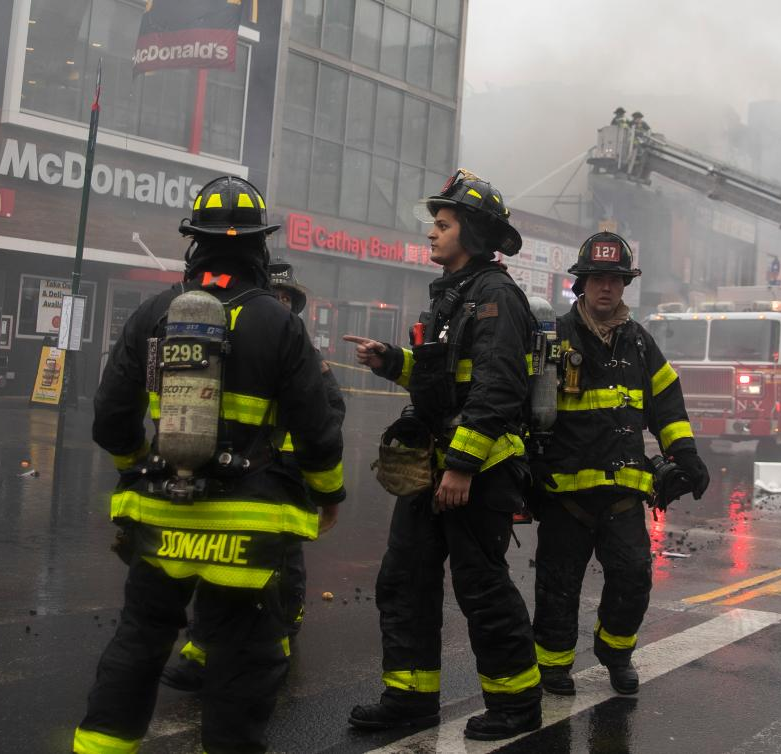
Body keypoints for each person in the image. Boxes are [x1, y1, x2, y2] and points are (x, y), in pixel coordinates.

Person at [73, 177, 345, 754]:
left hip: (161, 519)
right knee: (242, 662)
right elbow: (316, 426)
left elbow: (111, 415)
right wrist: (329, 494)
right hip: (246, 528)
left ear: (194, 243)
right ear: (260, 247)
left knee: (138, 643)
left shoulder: (155, 313)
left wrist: (135, 465)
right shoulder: (279, 323)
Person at [343, 170, 542, 741]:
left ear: (472, 234)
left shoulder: (496, 297)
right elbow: (443, 381)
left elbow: (498, 389)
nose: (432, 232)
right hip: (435, 467)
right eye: (434, 222)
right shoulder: (454, 296)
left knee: (481, 587)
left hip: (477, 470)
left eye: (444, 223)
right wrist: (392, 361)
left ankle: (516, 704)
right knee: (404, 580)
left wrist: (461, 466)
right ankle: (409, 699)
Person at [531, 231, 709, 697]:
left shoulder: (639, 343)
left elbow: (667, 403)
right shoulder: (554, 338)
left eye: (614, 279)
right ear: (581, 284)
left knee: (632, 579)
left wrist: (685, 454)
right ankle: (553, 665)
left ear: (625, 285)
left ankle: (616, 655)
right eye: (597, 279)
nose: (606, 287)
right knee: (557, 585)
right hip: (564, 492)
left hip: (623, 492)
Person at [159, 261, 345, 693]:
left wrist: (307, 466)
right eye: (274, 295)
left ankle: (277, 643)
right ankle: (203, 653)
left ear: (293, 305)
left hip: (285, 476)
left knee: (280, 564)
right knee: (219, 560)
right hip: (237, 471)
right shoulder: (233, 341)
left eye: (286, 298)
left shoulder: (302, 350)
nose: (280, 303)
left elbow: (329, 410)